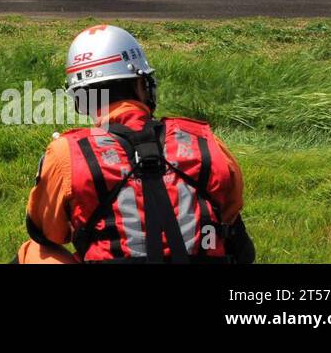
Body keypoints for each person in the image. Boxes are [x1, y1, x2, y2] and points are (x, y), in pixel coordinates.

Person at [17, 24, 254, 264]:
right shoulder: (205, 141)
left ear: (81, 99)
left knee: (34, 251)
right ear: (142, 85)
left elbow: (48, 232)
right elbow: (235, 232)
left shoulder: (67, 153)